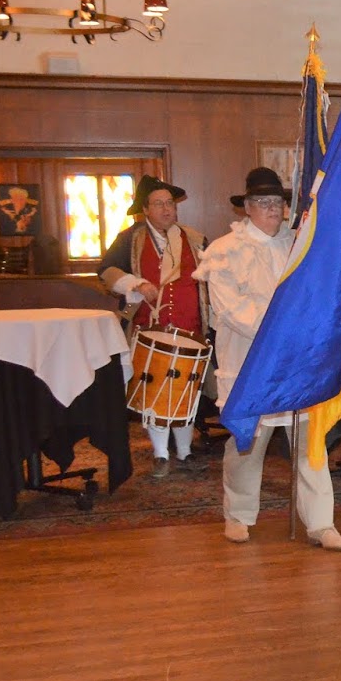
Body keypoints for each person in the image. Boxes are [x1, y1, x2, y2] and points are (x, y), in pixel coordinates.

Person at [194, 168, 341, 549]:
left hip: (297, 363)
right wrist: (282, 330)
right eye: (262, 203)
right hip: (251, 364)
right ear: (246, 208)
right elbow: (231, 310)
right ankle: (239, 514)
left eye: (277, 202)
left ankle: (320, 521)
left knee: (309, 441)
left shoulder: (298, 245)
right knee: (249, 441)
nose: (272, 209)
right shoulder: (225, 252)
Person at [98, 175, 209, 477]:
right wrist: (137, 284)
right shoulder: (131, 239)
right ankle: (161, 454)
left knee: (186, 391)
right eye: (158, 204)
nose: (166, 209)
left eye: (169, 203)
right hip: (150, 329)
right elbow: (106, 271)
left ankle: (185, 452)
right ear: (145, 210)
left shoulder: (194, 238)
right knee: (155, 391)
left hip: (190, 327)